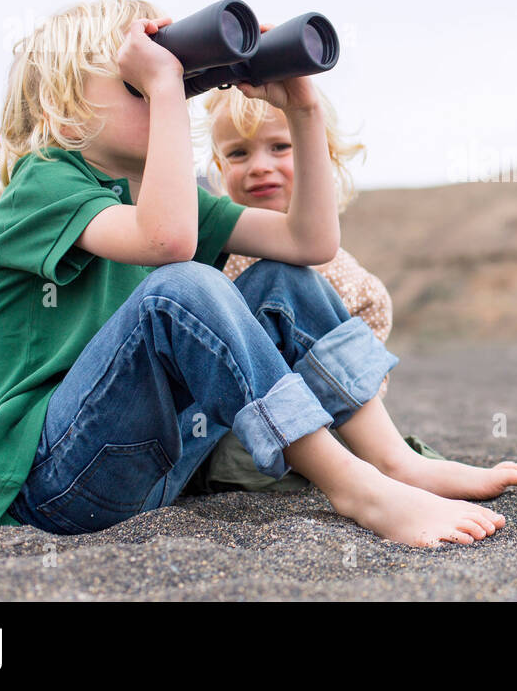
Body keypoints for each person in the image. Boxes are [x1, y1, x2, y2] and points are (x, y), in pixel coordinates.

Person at [0, 0, 517, 548]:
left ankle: (394, 461)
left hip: (159, 470)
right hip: (49, 485)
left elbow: (310, 243)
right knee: (181, 288)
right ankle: (358, 490)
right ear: (63, 109)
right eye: (139, 84)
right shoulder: (43, 185)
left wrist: (300, 107)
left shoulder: (159, 199)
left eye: (176, 77)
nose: (168, 92)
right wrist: (166, 86)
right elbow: (168, 243)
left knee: (282, 279)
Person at [180, 75, 441, 494]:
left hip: (322, 426)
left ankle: (395, 466)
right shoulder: (210, 253)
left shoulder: (351, 280)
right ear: (218, 169)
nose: (259, 165)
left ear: (324, 158)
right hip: (230, 429)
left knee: (355, 441)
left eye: (280, 146)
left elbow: (363, 387)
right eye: (238, 153)